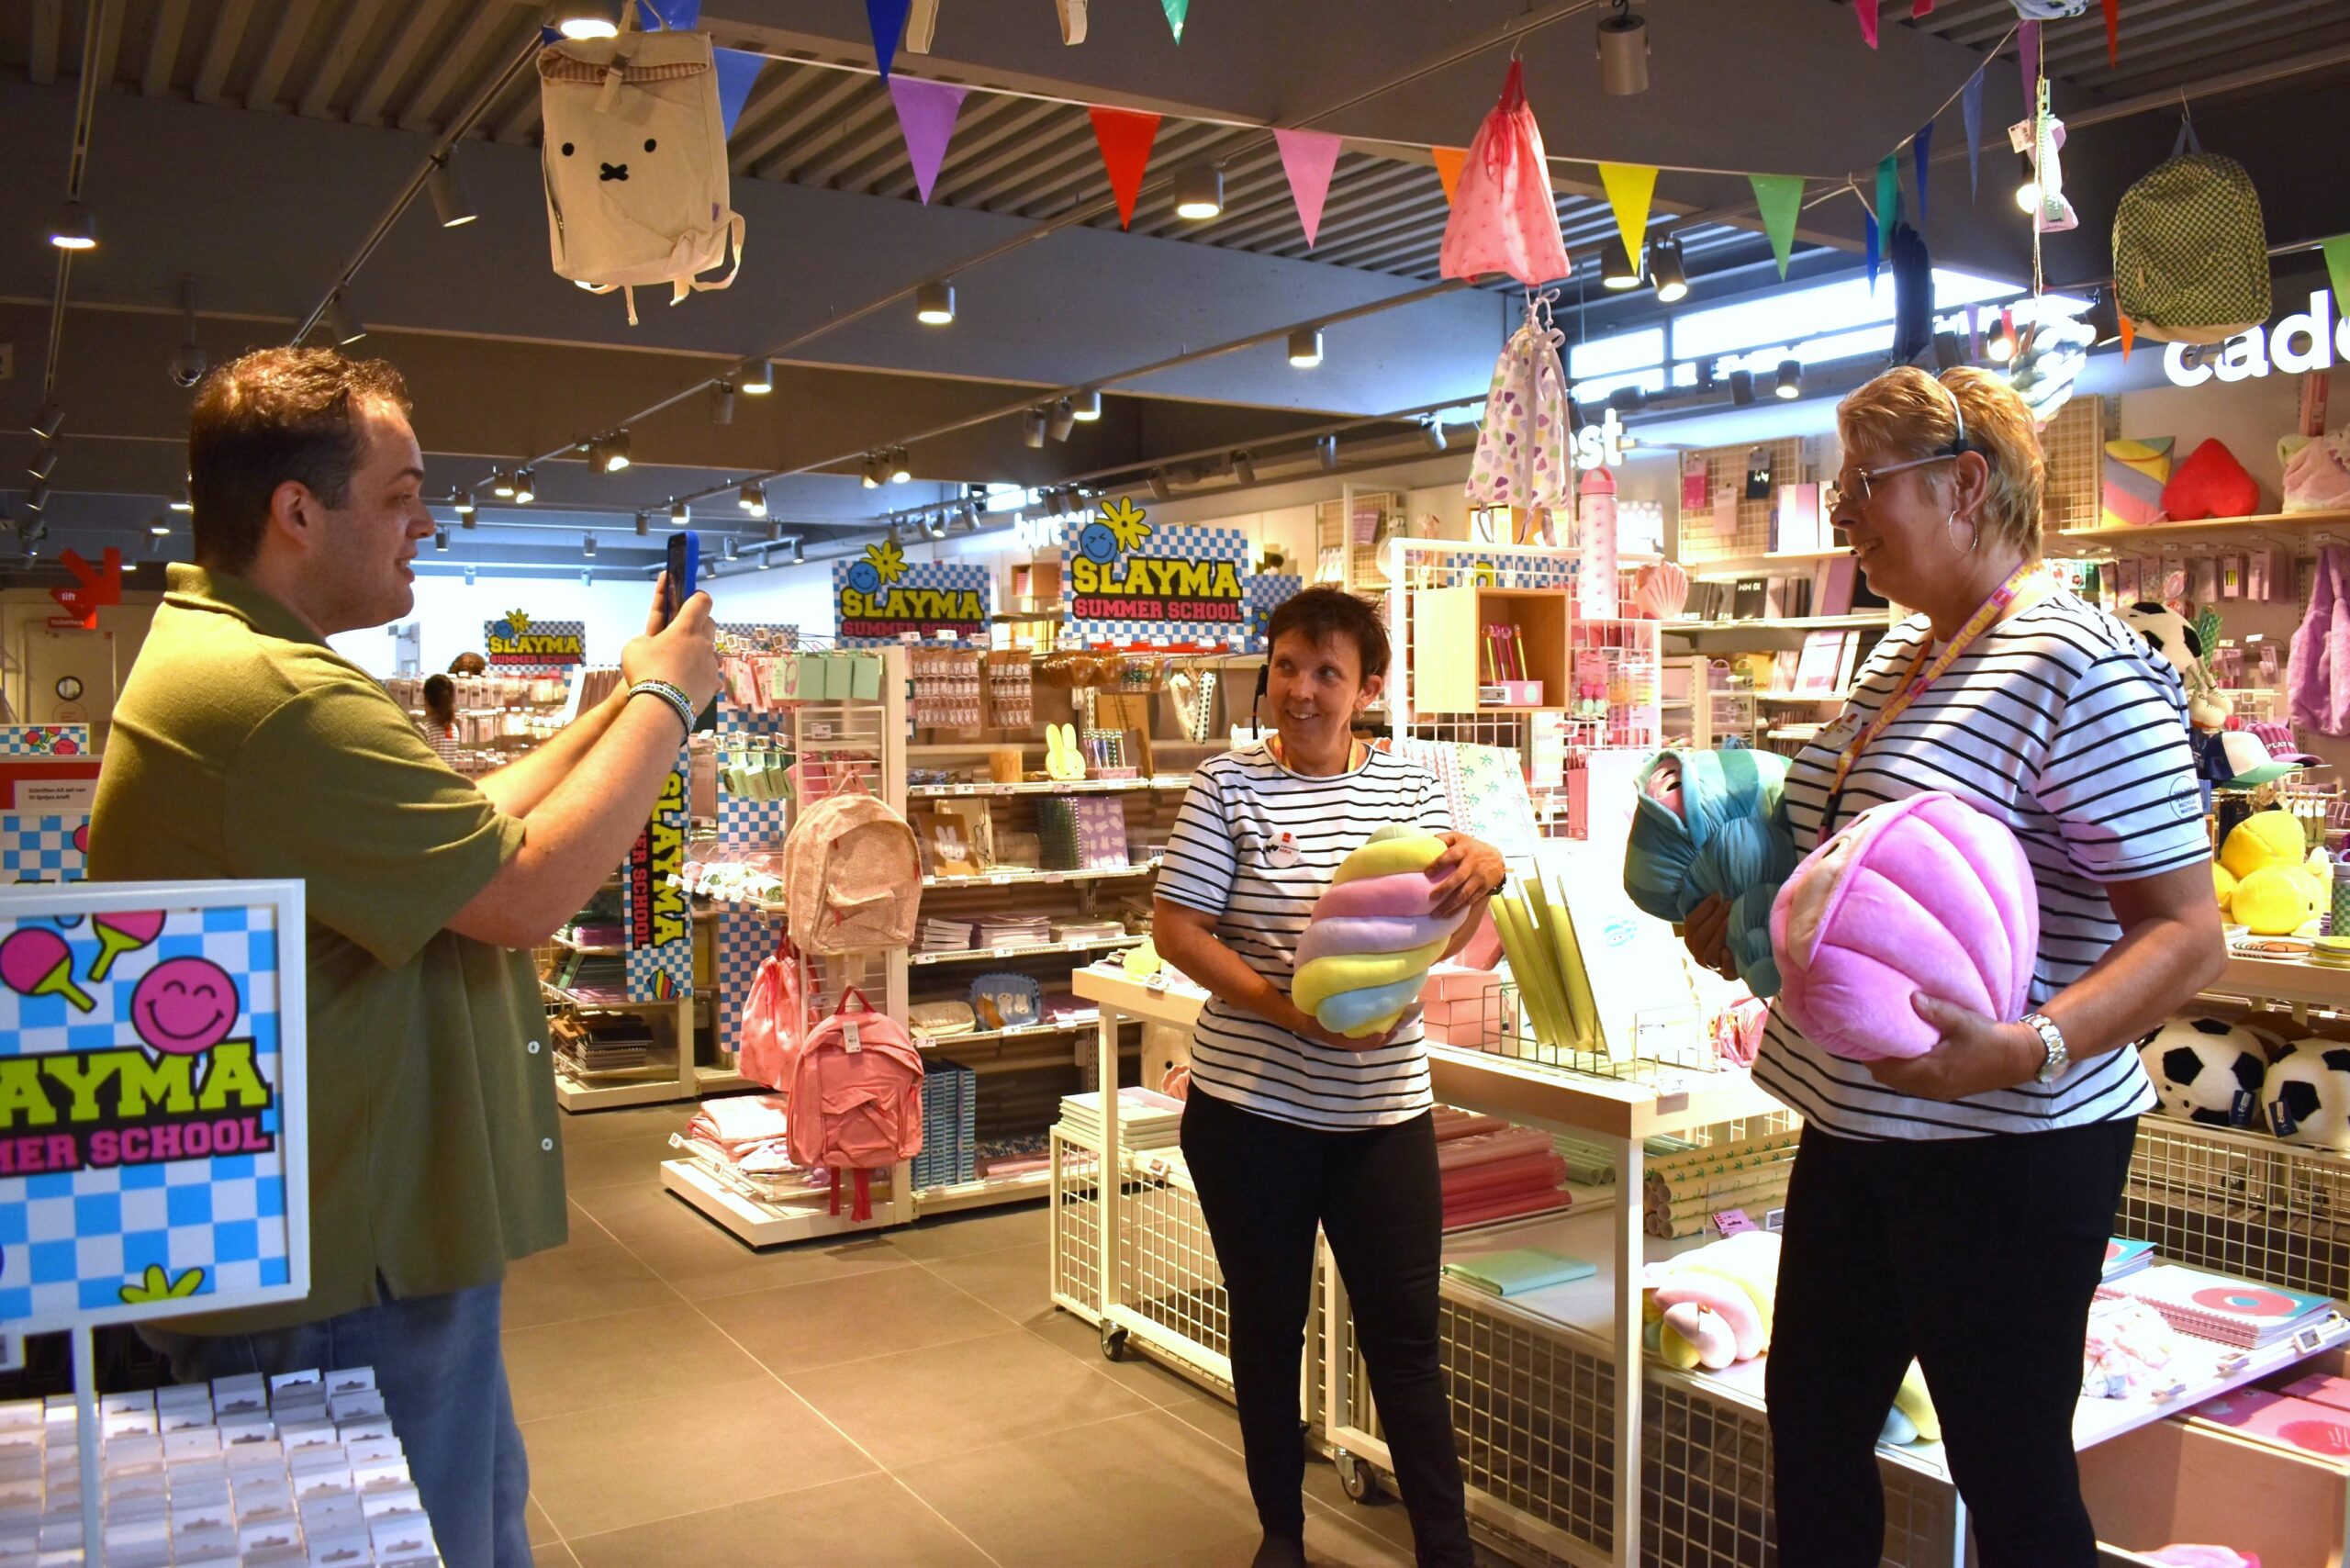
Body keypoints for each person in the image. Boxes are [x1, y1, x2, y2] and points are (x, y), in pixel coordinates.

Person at [90, 347, 721, 1567]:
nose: (424, 522)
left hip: (345, 1241)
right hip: (336, 1272)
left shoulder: (256, 672)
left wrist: (624, 696)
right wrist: (668, 709)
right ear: (295, 512)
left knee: (467, 1531)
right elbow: (525, 888)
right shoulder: (280, 703)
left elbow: (477, 829)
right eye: (399, 494)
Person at [1683, 366, 2223, 1566]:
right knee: (1816, 1433)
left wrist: (2031, 1046)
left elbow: (2188, 930)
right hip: (1862, 1124)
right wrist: (1760, 924)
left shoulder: (2072, 665)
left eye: (1864, 486)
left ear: (1965, 484)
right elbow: (1861, 882)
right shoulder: (1909, 658)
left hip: (2010, 1148)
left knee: (2008, 1472)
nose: (1840, 516)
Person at [1153, 587, 1507, 1568]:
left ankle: (1448, 1548)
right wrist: (1287, 1011)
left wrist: (1485, 871)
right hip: (1251, 1111)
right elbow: (1176, 928)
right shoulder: (1224, 787)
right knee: (1269, 1330)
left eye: (1327, 673)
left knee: (1404, 1342)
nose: (1301, 692)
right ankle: (1281, 1534)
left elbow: (1447, 922)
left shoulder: (1407, 789)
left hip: (1383, 1112)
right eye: (1286, 667)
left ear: (1368, 688)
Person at [419, 671, 462, 767]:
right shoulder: (453, 729)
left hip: (431, 781)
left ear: (427, 699)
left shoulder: (423, 730)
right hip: (450, 780)